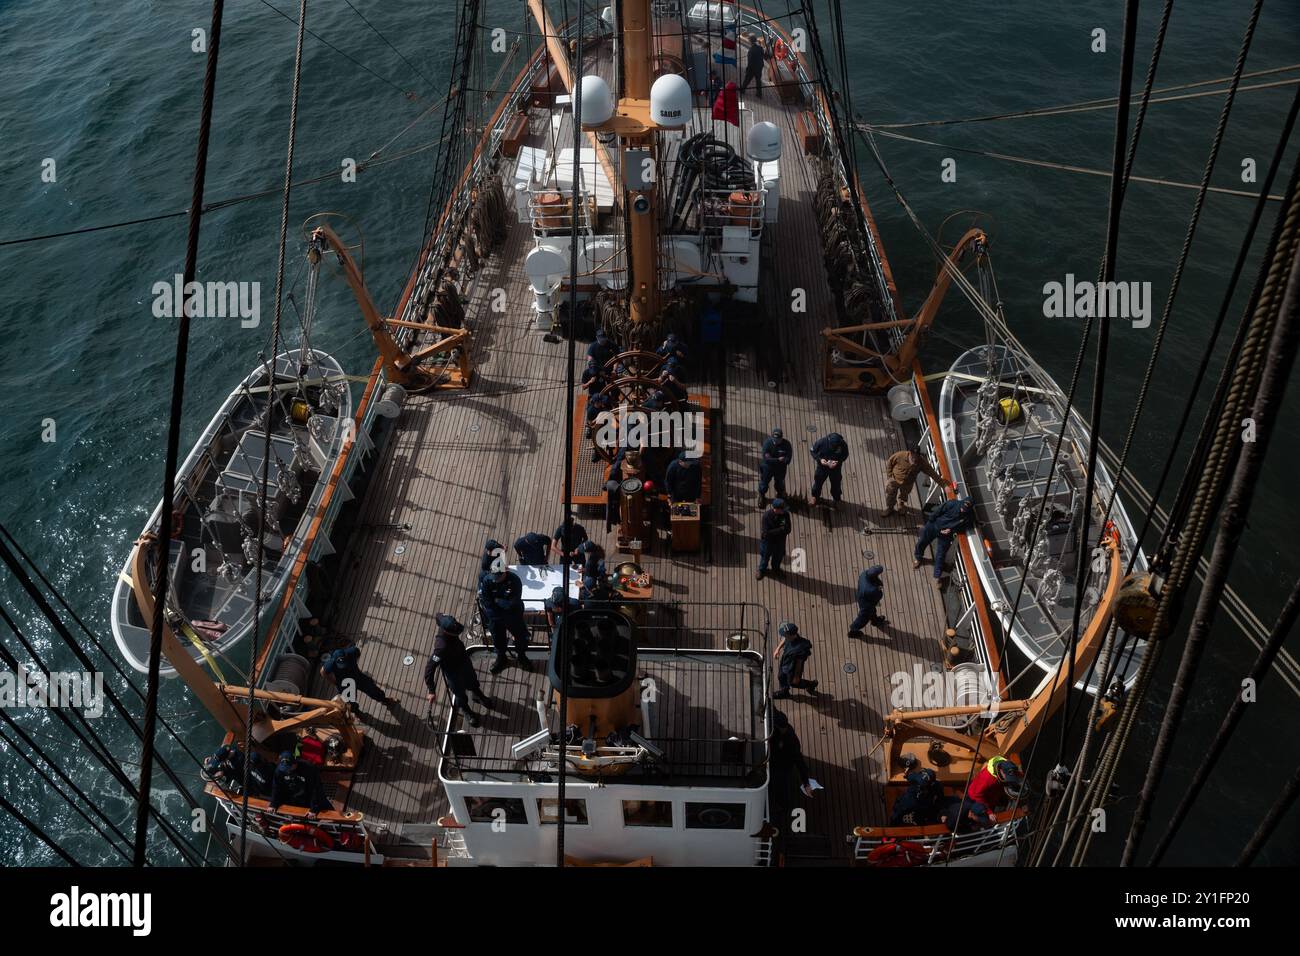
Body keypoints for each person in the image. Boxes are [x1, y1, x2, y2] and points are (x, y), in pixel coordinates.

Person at [425, 613, 491, 728]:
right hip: (453, 672)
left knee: (472, 680)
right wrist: (431, 690)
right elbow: (429, 668)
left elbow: (438, 615)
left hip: (464, 660)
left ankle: (477, 695)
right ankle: (466, 711)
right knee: (460, 694)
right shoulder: (441, 648)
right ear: (448, 632)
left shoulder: (445, 620)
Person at [478, 568, 533, 674]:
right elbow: (487, 603)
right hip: (496, 617)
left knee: (521, 637)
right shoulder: (487, 581)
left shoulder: (514, 580)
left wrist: (497, 600)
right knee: (497, 639)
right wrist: (499, 604)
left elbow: (512, 604)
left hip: (513, 616)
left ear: (505, 572)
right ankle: (501, 658)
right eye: (495, 577)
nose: (496, 580)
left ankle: (522, 657)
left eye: (498, 577)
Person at [913, 496, 976, 584]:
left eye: (965, 510)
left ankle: (937, 576)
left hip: (947, 534)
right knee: (922, 541)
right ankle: (918, 557)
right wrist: (930, 522)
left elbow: (964, 527)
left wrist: (951, 530)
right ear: (961, 503)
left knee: (941, 554)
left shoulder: (968, 517)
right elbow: (938, 511)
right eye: (962, 508)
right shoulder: (951, 503)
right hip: (934, 526)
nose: (963, 510)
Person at [320, 644, 393, 714]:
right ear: (334, 660)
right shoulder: (330, 663)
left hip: (357, 677)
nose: (343, 666)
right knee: (350, 703)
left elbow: (358, 653)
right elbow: (323, 672)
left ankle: (384, 700)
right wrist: (334, 682)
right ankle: (358, 712)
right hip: (345, 684)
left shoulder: (353, 652)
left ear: (346, 655)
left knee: (374, 690)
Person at [768, 708, 812, 821]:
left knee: (782, 787)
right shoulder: (776, 730)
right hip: (774, 761)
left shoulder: (790, 740)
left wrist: (806, 782)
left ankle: (783, 808)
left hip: (782, 767)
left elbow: (799, 761)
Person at [883, 446, 953, 517]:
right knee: (890, 494)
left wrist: (944, 485)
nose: (915, 458)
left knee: (904, 495)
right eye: (913, 456)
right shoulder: (900, 455)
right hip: (894, 480)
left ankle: (901, 505)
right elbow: (890, 462)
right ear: (910, 453)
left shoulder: (921, 462)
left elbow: (932, 474)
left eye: (917, 456)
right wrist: (889, 476)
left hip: (908, 483)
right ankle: (890, 508)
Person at [268, 751, 331, 815]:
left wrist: (313, 809)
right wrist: (273, 804)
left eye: (289, 768)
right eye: (285, 768)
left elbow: (316, 789)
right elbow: (276, 787)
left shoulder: (309, 768)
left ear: (295, 764)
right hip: (294, 798)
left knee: (330, 814)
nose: (287, 771)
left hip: (311, 798)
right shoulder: (280, 770)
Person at [772, 621, 818, 699]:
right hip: (785, 661)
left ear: (792, 635)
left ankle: (811, 684)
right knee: (781, 676)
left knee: (794, 683)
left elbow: (799, 664)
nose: (784, 637)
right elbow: (784, 639)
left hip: (792, 667)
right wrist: (778, 649)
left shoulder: (800, 650)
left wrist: (796, 677)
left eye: (786, 635)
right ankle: (784, 692)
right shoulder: (790, 637)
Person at [809, 432, 849, 506]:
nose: (834, 448)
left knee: (836, 484)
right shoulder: (821, 442)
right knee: (818, 482)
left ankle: (837, 499)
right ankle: (814, 497)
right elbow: (812, 451)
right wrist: (820, 459)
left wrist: (838, 462)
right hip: (822, 467)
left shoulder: (842, 444)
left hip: (835, 468)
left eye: (836, 447)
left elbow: (845, 455)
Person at [756, 498, 791, 580]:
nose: (785, 510)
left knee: (778, 558)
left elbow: (788, 529)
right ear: (776, 509)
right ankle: (761, 570)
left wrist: (781, 530)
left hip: (780, 542)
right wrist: (780, 530)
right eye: (783, 509)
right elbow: (766, 533)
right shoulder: (766, 517)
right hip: (768, 543)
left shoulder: (785, 515)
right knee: (765, 557)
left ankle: (776, 569)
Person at [848, 564, 888, 637]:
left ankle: (875, 621)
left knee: (872, 611)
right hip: (866, 603)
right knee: (863, 617)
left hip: (862, 596)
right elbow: (879, 596)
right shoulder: (871, 590)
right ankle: (853, 630)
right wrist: (878, 588)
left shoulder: (864, 574)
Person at [758, 427, 792, 506]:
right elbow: (766, 459)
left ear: (781, 438)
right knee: (764, 483)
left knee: (780, 484)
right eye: (775, 439)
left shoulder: (787, 444)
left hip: (780, 469)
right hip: (767, 468)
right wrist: (778, 460)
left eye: (778, 439)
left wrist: (784, 460)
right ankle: (762, 496)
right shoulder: (767, 443)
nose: (776, 441)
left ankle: (779, 496)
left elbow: (788, 458)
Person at [739, 33, 768, 98]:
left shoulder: (751, 51)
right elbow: (762, 55)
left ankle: (742, 90)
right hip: (759, 66)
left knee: (747, 79)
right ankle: (759, 94)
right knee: (758, 80)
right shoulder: (760, 48)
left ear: (750, 41)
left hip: (752, 68)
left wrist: (747, 69)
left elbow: (750, 62)